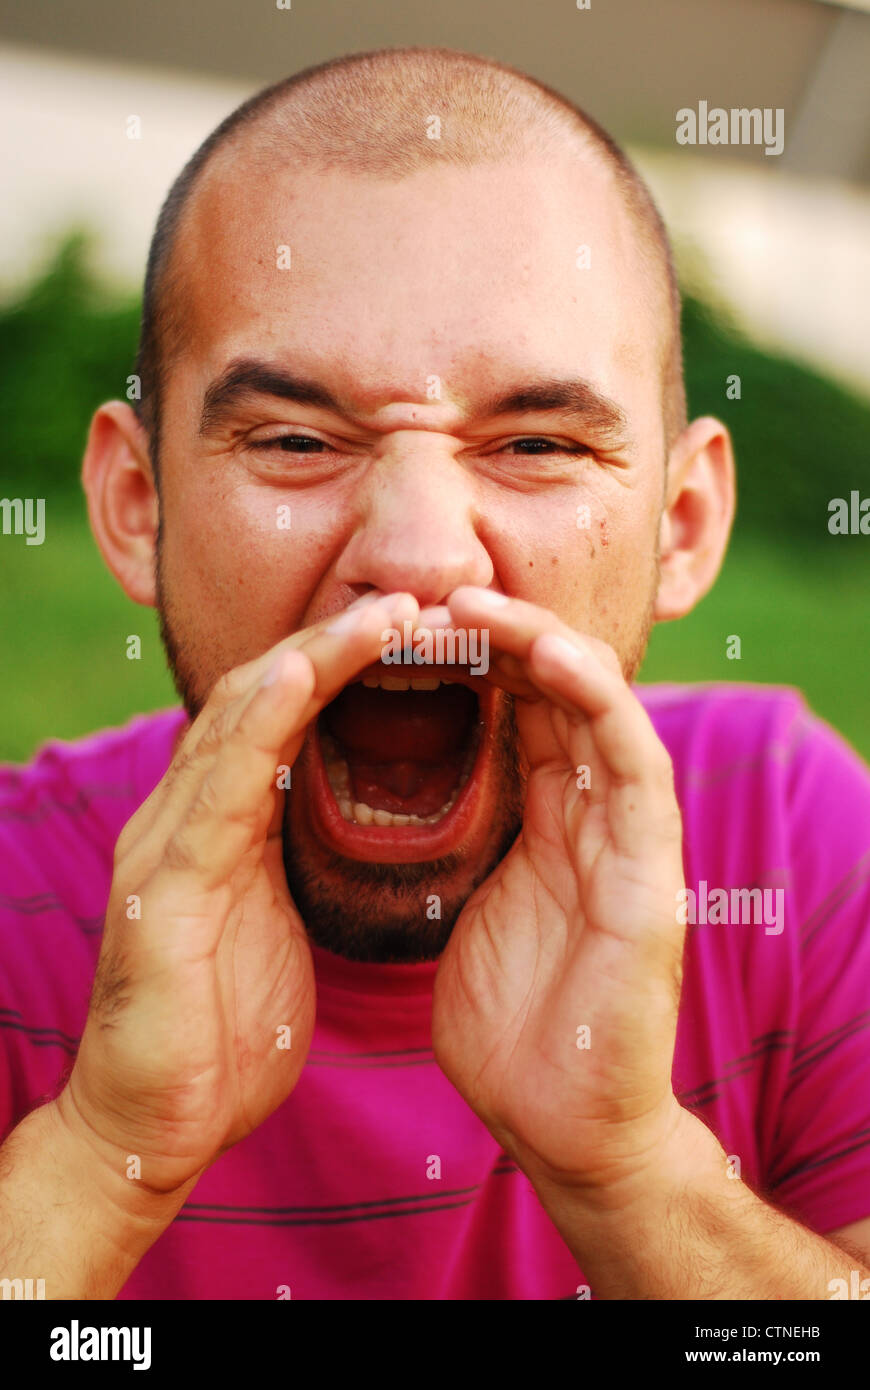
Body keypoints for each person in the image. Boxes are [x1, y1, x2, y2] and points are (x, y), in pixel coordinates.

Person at [1, 46, 869, 1301]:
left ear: (681, 525)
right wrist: (98, 1161)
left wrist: (633, 1177)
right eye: (296, 439)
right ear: (138, 504)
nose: (415, 556)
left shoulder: (791, 841)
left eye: (534, 442)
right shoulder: (19, 893)